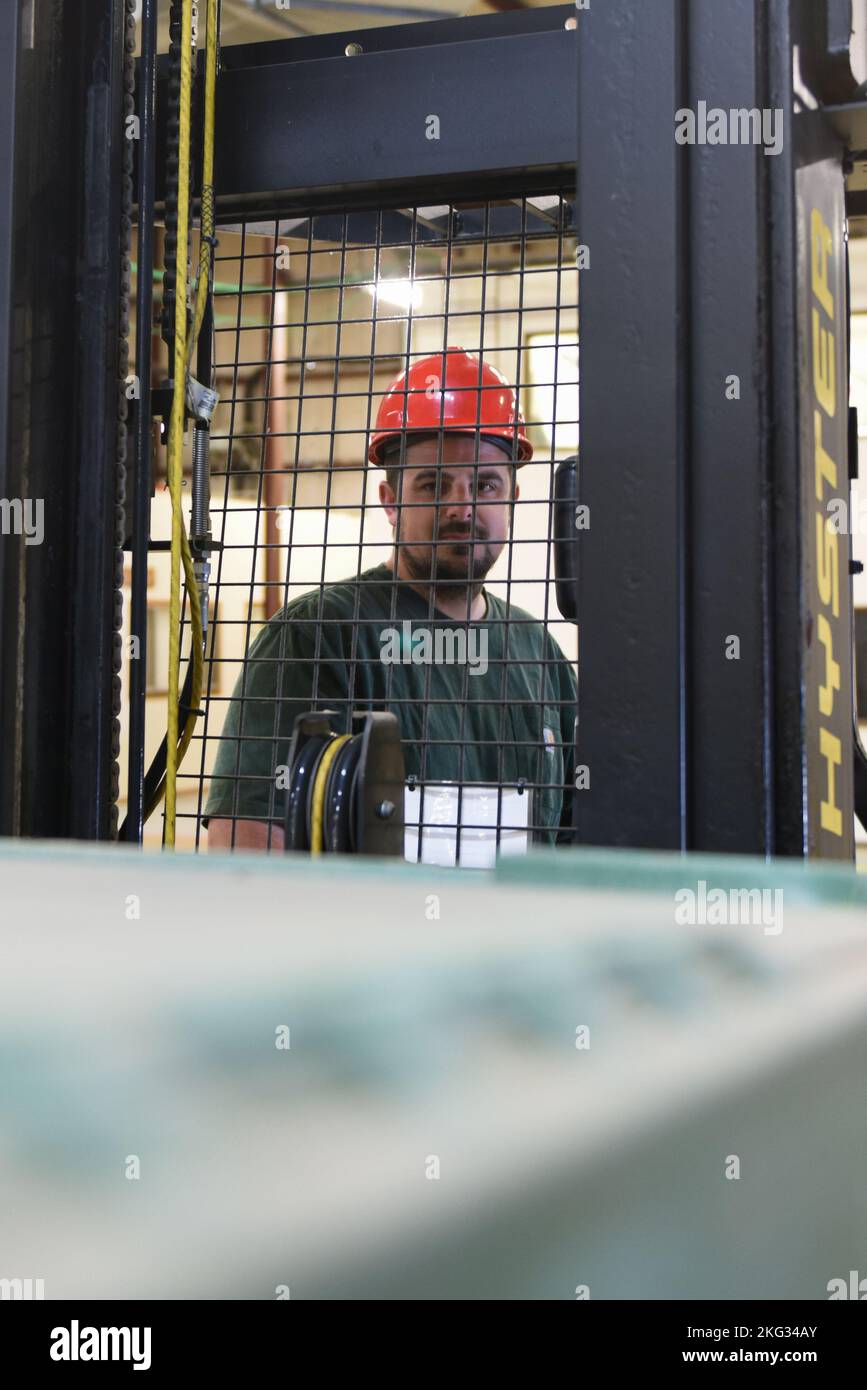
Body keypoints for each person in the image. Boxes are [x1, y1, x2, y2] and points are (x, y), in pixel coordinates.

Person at [205, 346, 578, 851]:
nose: (461, 509)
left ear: (511, 499)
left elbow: (579, 838)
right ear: (390, 501)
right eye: (434, 485)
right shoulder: (319, 636)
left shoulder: (540, 653)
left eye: (485, 485)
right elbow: (248, 845)